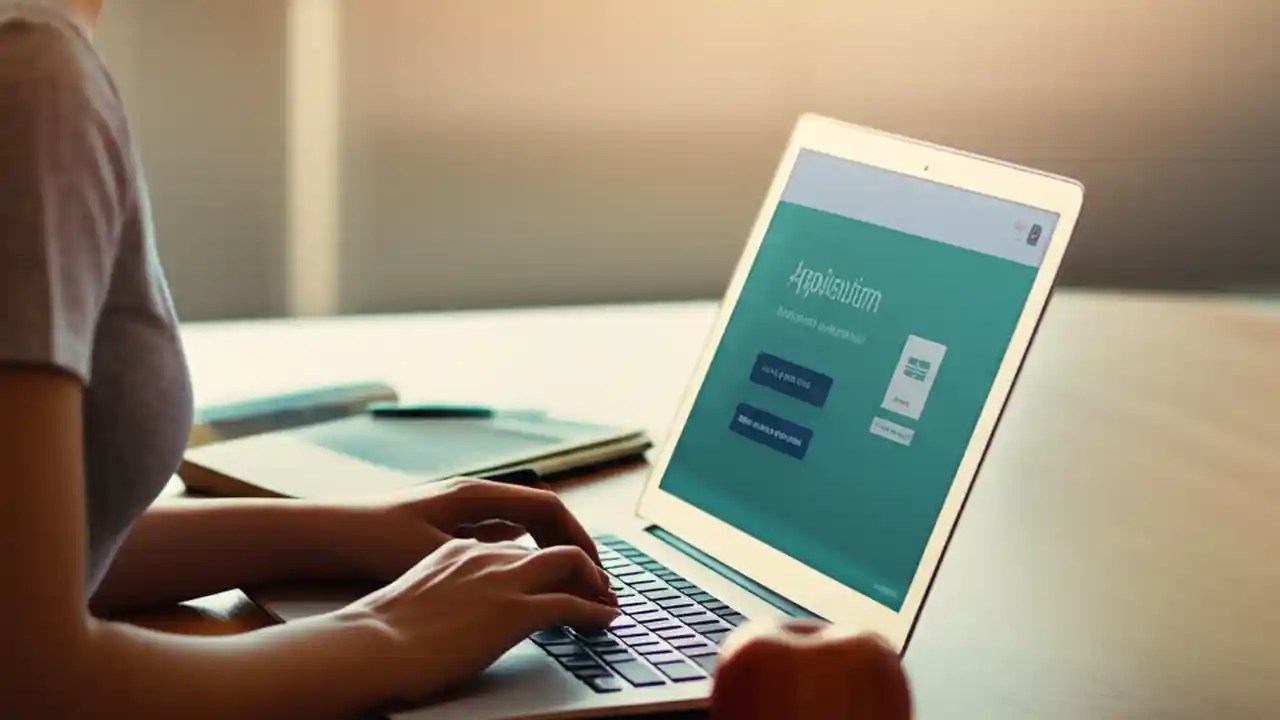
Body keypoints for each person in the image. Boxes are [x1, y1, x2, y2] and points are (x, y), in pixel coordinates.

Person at [0, 1, 911, 717]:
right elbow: (39, 680)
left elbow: (42, 560)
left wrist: (346, 532)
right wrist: (388, 635)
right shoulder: (36, 80)